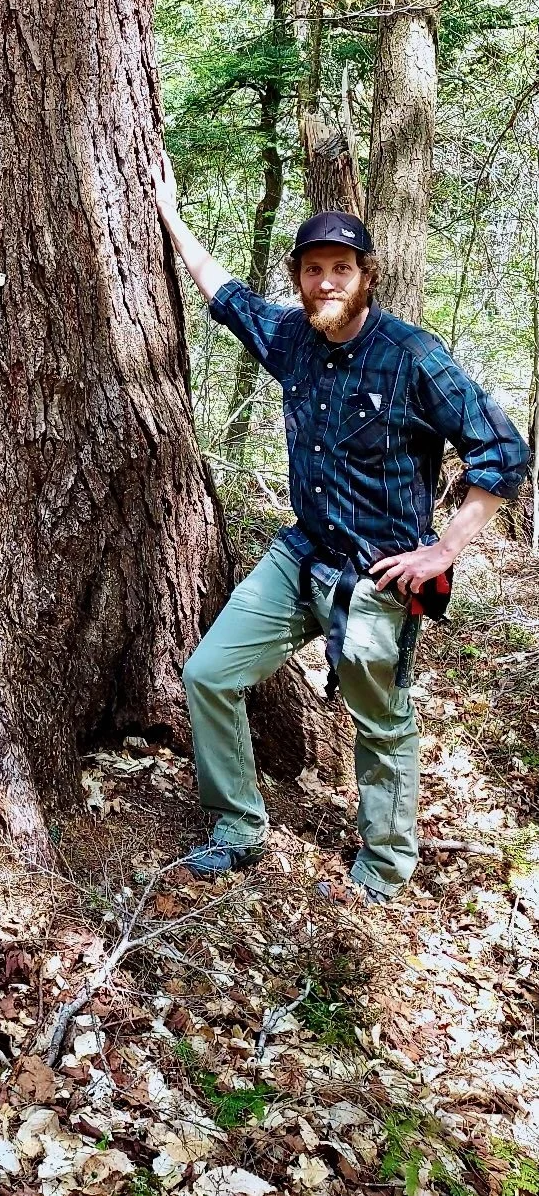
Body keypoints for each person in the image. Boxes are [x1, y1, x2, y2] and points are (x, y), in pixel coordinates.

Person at [151, 152, 528, 902]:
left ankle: (384, 868)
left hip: (379, 575)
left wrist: (442, 550)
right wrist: (169, 215)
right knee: (207, 674)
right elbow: (224, 293)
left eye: (341, 269)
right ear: (298, 277)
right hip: (302, 553)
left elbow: (502, 449)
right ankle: (238, 827)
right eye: (313, 268)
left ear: (366, 276)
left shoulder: (411, 356)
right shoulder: (292, 338)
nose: (326, 281)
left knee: (380, 719)